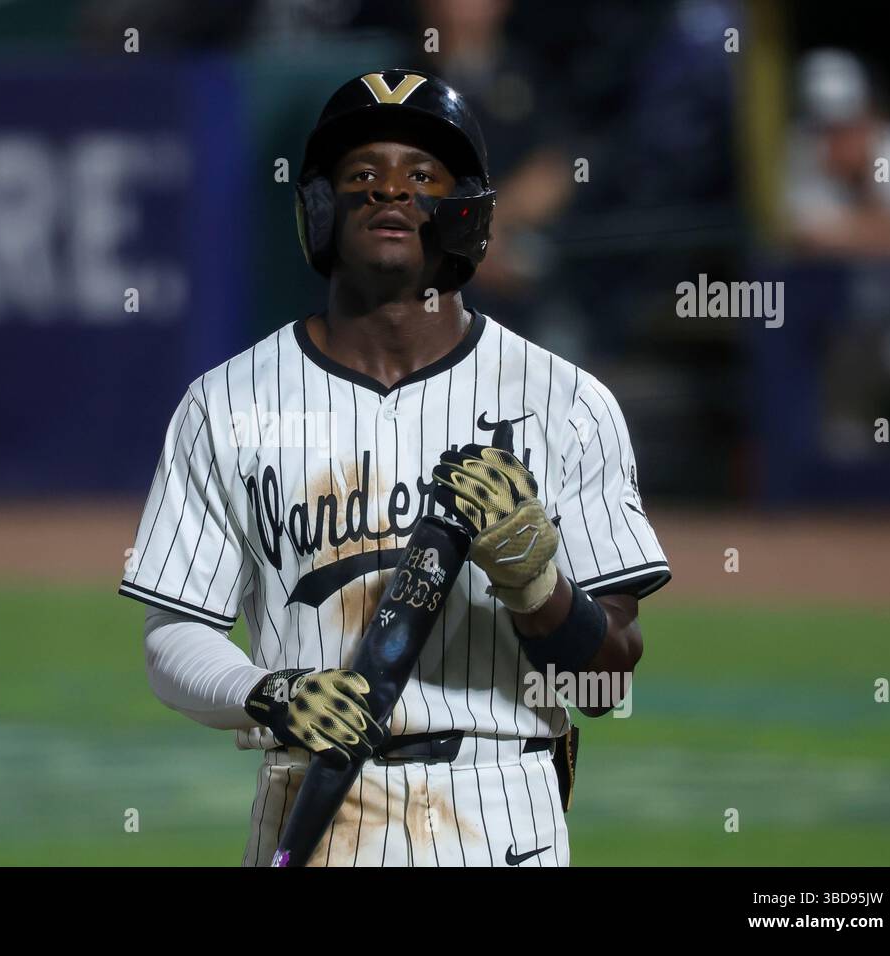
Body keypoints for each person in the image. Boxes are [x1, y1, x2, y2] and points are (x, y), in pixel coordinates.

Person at [119, 70, 670, 867]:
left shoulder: (565, 402)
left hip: (500, 810)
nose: (390, 192)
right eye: (361, 176)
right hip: (311, 808)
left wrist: (536, 583)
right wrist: (268, 693)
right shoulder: (226, 403)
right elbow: (174, 637)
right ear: (319, 209)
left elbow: (607, 680)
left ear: (466, 214)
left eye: (423, 176)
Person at [784, 48, 890, 264]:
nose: (834, 142)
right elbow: (807, 235)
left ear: (871, 118)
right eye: (824, 131)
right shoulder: (803, 153)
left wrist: (854, 231)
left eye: (845, 128)